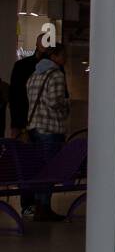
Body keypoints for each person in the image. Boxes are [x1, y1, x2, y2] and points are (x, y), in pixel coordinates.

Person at [25, 44, 70, 221]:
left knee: (39, 169)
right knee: (50, 170)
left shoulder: (34, 75)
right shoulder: (56, 74)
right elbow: (54, 101)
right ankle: (44, 208)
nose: (65, 59)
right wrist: (67, 103)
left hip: (34, 127)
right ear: (55, 56)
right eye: (63, 55)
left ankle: (38, 206)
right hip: (50, 128)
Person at [9, 43, 44, 138]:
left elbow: (14, 95)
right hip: (41, 122)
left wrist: (15, 123)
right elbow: (14, 95)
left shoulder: (21, 65)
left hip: (23, 118)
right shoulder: (54, 69)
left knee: (23, 150)